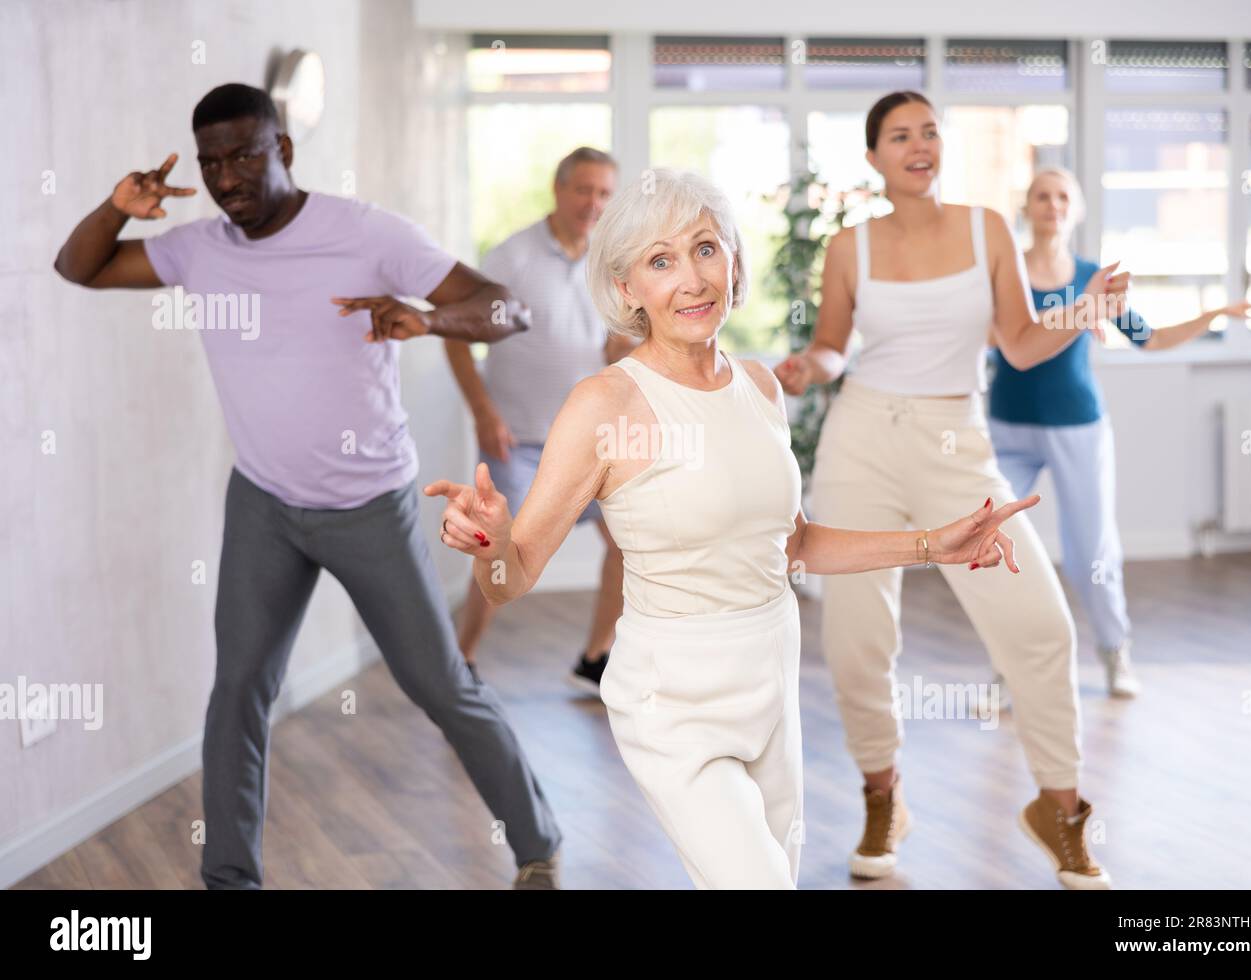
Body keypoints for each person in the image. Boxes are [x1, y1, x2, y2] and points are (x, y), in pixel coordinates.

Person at [426, 168, 1043, 889]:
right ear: (626, 288)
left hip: (772, 682)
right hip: (673, 700)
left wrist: (933, 544)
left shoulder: (759, 387)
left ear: (734, 262)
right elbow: (508, 581)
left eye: (706, 249)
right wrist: (493, 545)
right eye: (661, 261)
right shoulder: (604, 406)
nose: (691, 279)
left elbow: (795, 546)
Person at [52, 83, 563, 890]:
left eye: (243, 156)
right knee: (238, 694)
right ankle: (229, 879)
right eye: (210, 162)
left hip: (370, 507)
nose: (226, 178)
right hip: (263, 504)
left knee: (440, 685)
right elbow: (77, 267)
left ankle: (536, 841)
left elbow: (508, 311)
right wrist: (118, 206)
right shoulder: (198, 249)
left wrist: (427, 319)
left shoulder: (365, 234)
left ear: (282, 150)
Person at [775, 91, 1128, 889]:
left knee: (1039, 625)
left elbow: (1022, 344)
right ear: (874, 158)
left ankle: (1060, 811)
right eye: (900, 135)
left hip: (957, 442)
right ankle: (882, 794)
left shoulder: (985, 230)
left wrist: (1086, 307)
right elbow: (833, 348)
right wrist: (807, 367)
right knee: (858, 641)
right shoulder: (848, 247)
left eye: (930, 131)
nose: (919, 144)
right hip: (861, 437)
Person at [987, 167, 1251, 702]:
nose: (1052, 205)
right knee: (1001, 551)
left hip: (1077, 426)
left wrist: (1214, 313)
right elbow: (988, 338)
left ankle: (1115, 651)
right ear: (1026, 207)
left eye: (1063, 196)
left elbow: (1152, 340)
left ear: (1077, 210)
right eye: (1042, 196)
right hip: (1008, 426)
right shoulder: (1005, 275)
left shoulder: (1096, 278)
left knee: (1091, 551)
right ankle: (1006, 670)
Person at [445, 147, 634, 691]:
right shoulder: (512, 258)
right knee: (501, 553)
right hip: (519, 441)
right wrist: (483, 413)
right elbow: (459, 337)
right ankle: (462, 662)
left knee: (626, 546)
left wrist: (620, 350)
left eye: (603, 193)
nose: (593, 203)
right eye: (584, 190)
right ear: (559, 190)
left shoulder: (611, 263)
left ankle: (595, 657)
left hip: (593, 443)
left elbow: (612, 349)